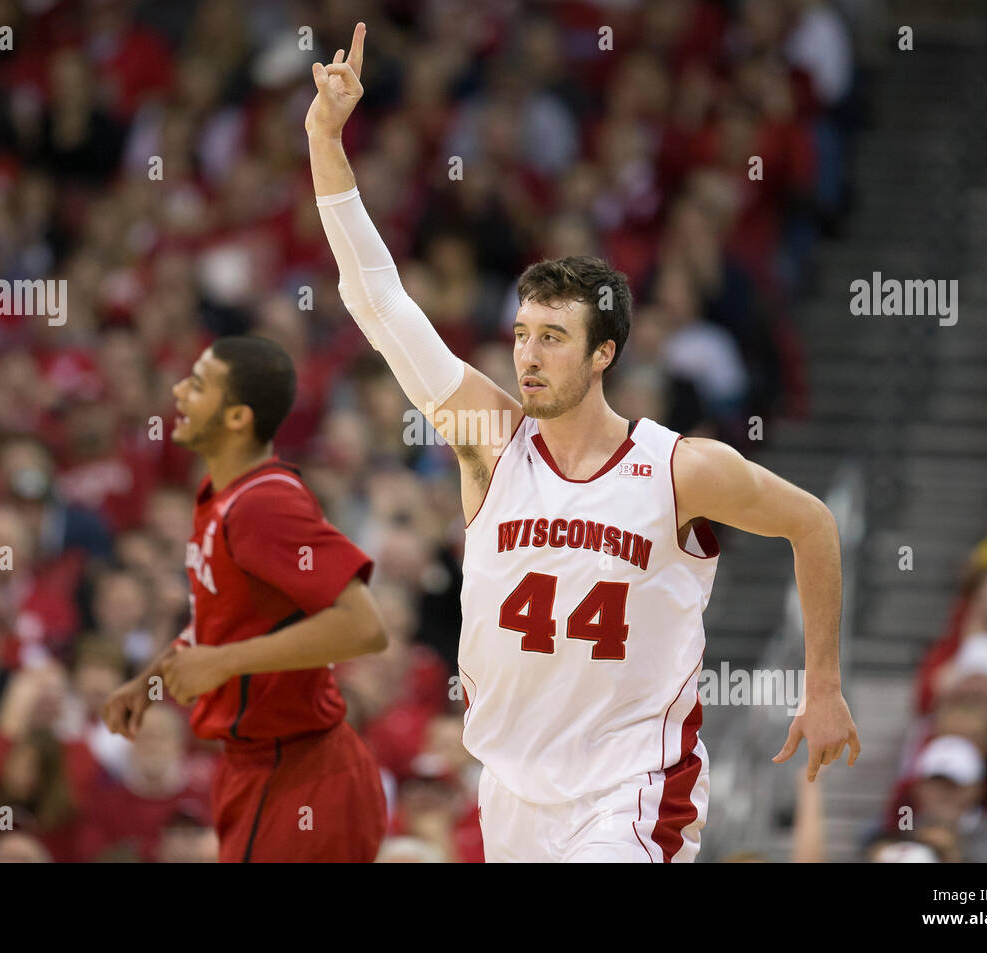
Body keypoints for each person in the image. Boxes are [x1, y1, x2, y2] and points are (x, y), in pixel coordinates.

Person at [305, 23, 859, 863]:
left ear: (604, 354)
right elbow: (380, 302)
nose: (527, 353)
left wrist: (822, 686)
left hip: (634, 788)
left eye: (553, 337)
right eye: (522, 332)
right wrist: (324, 140)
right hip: (512, 787)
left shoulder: (679, 468)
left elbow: (813, 522)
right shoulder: (492, 439)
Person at [102, 336, 389, 862]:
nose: (178, 391)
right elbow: (228, 622)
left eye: (197, 384)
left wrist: (222, 663)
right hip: (264, 766)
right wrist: (152, 679)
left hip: (300, 772)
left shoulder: (265, 504)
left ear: (237, 417)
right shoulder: (221, 495)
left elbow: (363, 626)